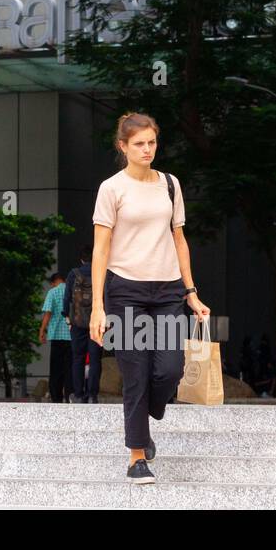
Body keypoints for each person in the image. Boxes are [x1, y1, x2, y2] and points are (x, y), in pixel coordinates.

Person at [90, 112, 209, 485]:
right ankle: (137, 455)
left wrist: (191, 291)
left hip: (169, 289)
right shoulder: (112, 188)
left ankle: (149, 414)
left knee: (169, 369)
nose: (147, 149)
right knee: (136, 374)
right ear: (122, 146)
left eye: (152, 142)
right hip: (126, 291)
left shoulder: (170, 185)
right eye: (139, 143)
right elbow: (100, 250)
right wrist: (97, 306)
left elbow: (179, 239)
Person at [63, 245, 103, 402]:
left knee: (78, 358)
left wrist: (68, 319)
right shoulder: (101, 274)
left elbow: (67, 299)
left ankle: (79, 394)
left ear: (81, 259)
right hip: (96, 322)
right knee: (95, 360)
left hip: (77, 323)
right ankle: (93, 394)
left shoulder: (73, 274)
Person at [39, 272, 72, 402]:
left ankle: (56, 398)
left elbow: (48, 313)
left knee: (56, 369)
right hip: (71, 335)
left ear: (53, 283)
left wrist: (42, 330)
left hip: (57, 336)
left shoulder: (52, 292)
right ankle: (70, 395)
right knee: (70, 369)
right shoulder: (72, 290)